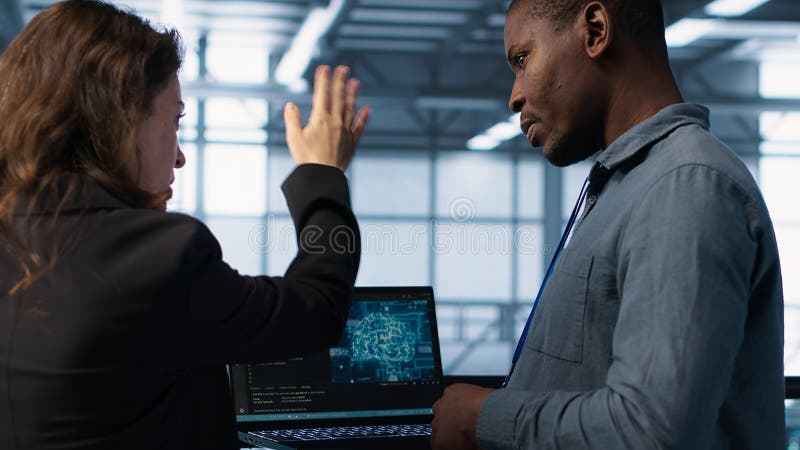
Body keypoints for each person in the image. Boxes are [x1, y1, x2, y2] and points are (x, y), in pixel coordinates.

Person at [0, 1, 370, 449]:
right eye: (175, 120)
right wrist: (322, 173)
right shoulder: (155, 257)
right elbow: (316, 310)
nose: (179, 155)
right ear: (118, 118)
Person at [431, 0, 784, 449]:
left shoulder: (685, 185)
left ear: (596, 30)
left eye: (522, 60)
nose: (514, 96)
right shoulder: (630, 185)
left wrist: (481, 417)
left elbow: (653, 431)